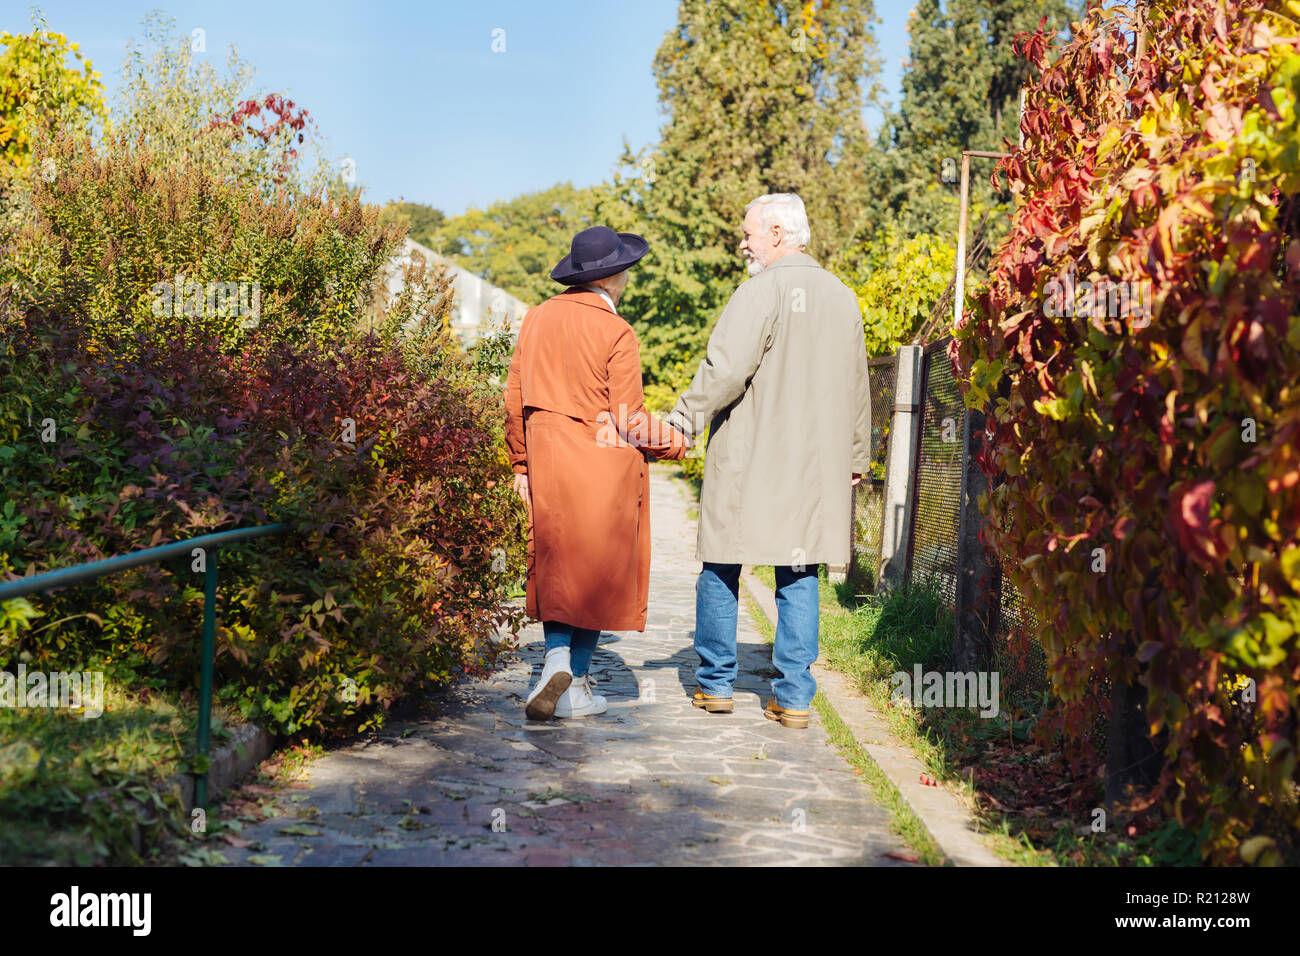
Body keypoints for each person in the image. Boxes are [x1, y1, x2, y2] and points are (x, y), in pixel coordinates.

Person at [664, 193, 871, 729]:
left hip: (749, 457)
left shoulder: (758, 292)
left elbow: (726, 371)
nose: (743, 243)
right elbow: (858, 383)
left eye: (748, 233)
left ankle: (715, 686)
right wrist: (856, 454)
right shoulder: (842, 297)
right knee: (799, 571)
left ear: (777, 234)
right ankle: (794, 697)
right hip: (814, 467)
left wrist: (681, 422)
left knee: (721, 562)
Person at [504, 225, 691, 721]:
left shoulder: (537, 318)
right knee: (595, 571)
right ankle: (577, 685)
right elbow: (629, 419)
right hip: (603, 468)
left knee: (556, 563)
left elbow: (514, 398)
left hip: (548, 462)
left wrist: (521, 463)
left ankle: (556, 660)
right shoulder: (616, 331)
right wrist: (677, 443)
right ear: (612, 278)